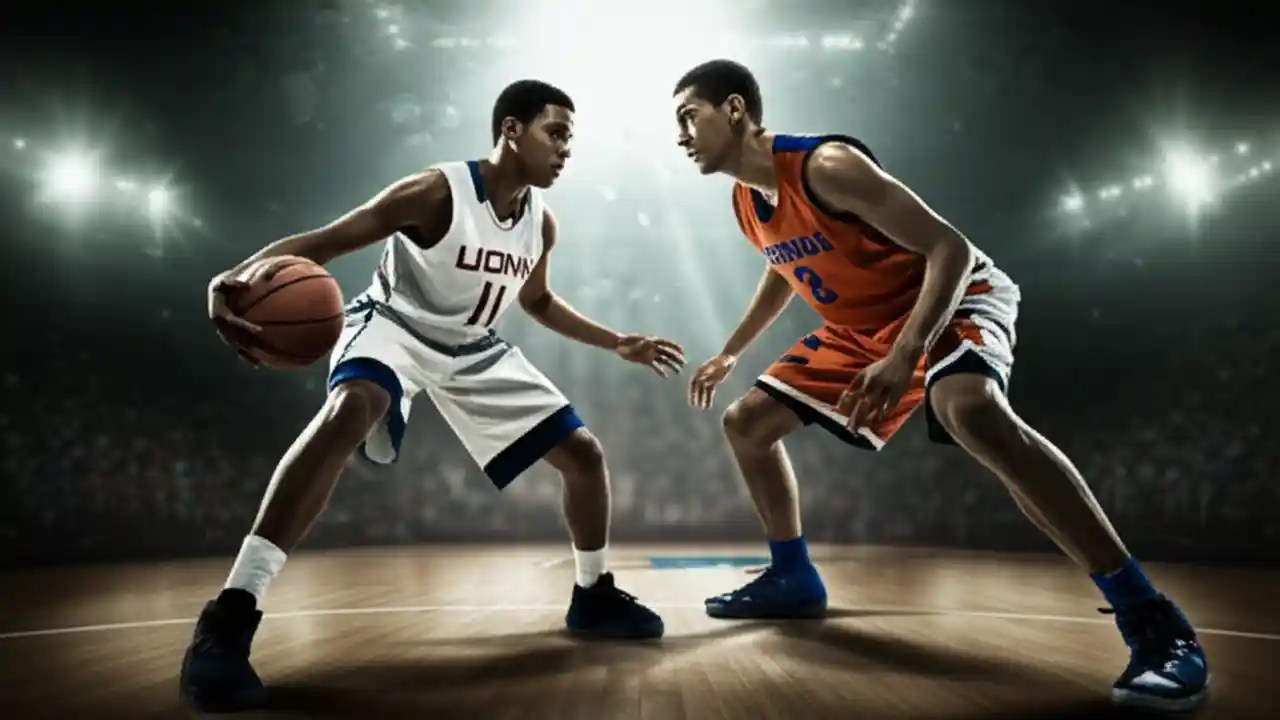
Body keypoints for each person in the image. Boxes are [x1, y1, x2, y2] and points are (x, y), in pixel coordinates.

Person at [674, 59, 1207, 713]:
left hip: (949, 296)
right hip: (862, 325)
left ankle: (1153, 621)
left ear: (733, 109)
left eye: (687, 117)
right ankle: (791, 575)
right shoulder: (744, 201)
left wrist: (908, 352)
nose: (680, 135)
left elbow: (948, 248)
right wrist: (732, 351)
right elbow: (785, 268)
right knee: (746, 423)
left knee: (970, 410)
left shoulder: (825, 165)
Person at [179, 79, 684, 713]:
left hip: (473, 345)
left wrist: (618, 342)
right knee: (349, 409)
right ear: (511, 130)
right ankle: (231, 614)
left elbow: (539, 302)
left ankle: (593, 595)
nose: (565, 150)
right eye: (556, 134)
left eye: (570, 140)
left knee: (583, 454)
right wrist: (234, 275)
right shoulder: (435, 192)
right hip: (392, 324)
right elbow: (328, 241)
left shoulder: (540, 223)